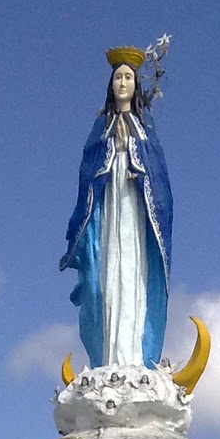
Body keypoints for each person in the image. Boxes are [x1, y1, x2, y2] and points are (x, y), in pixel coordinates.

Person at [60, 45, 172, 370]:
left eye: (128, 78)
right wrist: (109, 166)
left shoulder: (145, 130)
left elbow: (159, 178)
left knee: (133, 276)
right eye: (118, 78)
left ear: (136, 85)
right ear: (110, 85)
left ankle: (134, 355)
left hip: (135, 214)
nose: (122, 83)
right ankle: (110, 354)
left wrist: (136, 167)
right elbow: (88, 171)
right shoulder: (102, 129)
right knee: (109, 277)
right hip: (109, 211)